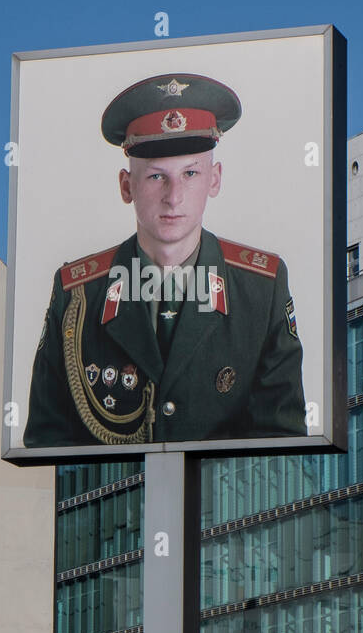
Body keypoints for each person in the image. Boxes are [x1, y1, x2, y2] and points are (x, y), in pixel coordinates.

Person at [23, 72, 306, 446]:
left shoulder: (261, 288)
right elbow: (47, 447)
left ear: (215, 179)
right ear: (127, 186)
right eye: (157, 177)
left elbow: (283, 445)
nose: (174, 197)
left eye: (190, 173)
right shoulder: (78, 293)